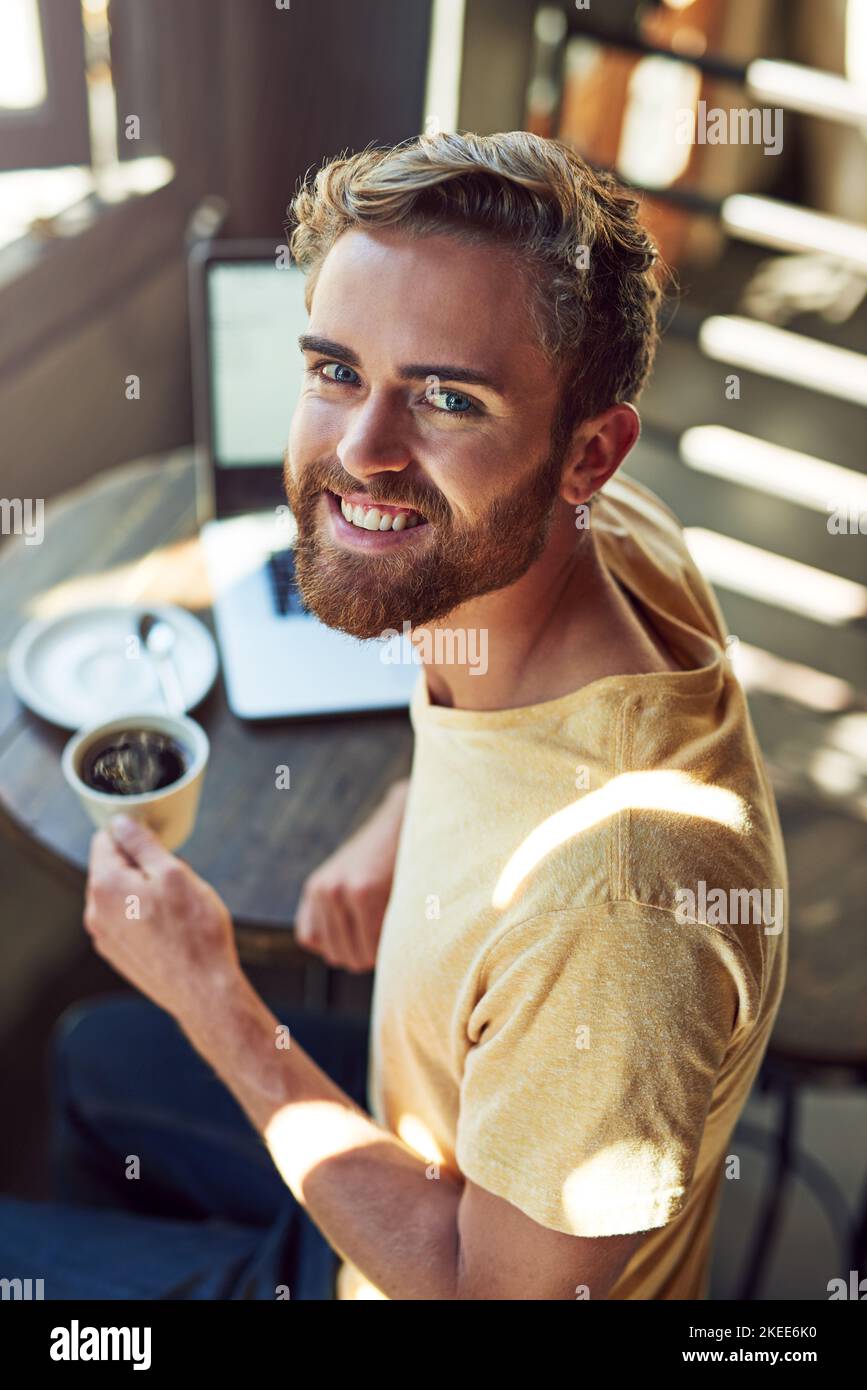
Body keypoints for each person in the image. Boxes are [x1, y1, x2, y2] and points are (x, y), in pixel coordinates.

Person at [0, 130, 787, 1300]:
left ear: (590, 455)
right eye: (335, 370)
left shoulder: (620, 908)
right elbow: (532, 745)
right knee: (91, 1059)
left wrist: (213, 994)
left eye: (448, 399)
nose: (361, 455)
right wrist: (407, 806)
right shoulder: (599, 547)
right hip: (418, 1131)